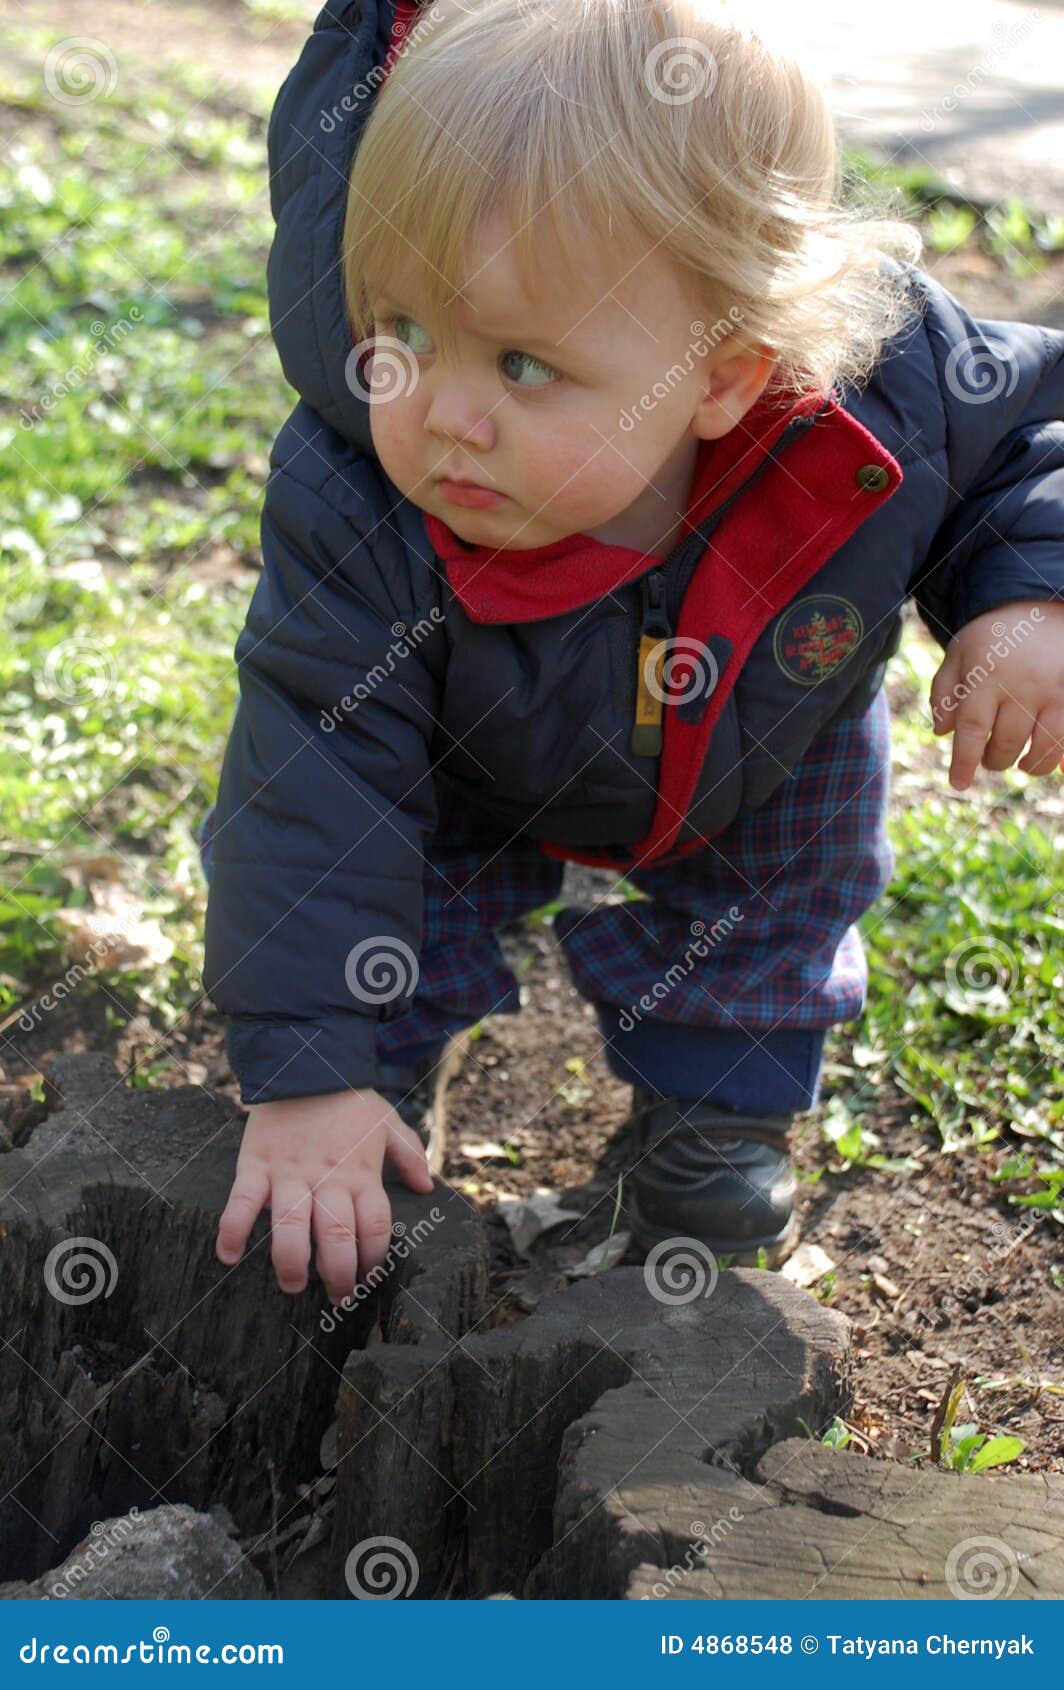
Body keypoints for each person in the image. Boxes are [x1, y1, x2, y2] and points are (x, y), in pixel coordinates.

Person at [200, 0, 1064, 1301]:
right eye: (403, 333)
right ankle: (368, 1097)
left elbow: (1025, 445)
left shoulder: (887, 381)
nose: (444, 416)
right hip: (467, 757)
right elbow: (311, 777)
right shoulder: (356, 493)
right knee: (407, 892)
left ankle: (709, 1140)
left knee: (774, 895)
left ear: (724, 371)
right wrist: (308, 1066)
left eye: (525, 366)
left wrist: (1031, 593)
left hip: (756, 743)